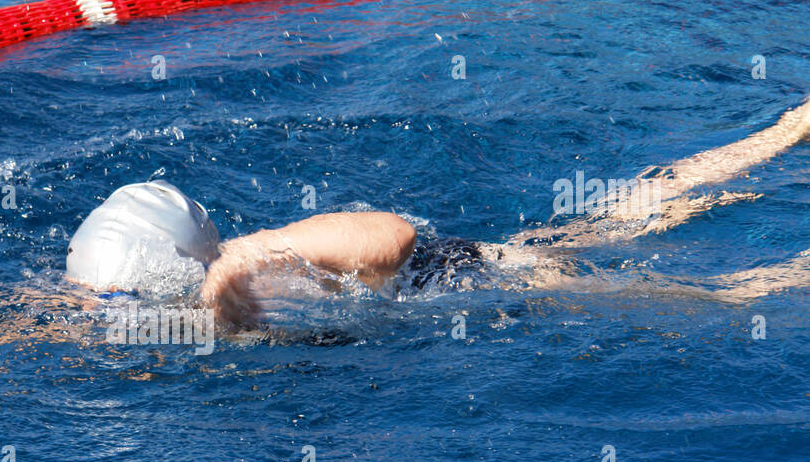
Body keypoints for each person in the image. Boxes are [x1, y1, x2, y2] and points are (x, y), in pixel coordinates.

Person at [65, 96, 810, 327]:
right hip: (483, 264)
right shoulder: (112, 303)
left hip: (493, 277)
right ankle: (779, 137)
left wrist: (255, 255)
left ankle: (779, 139)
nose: (115, 313)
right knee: (623, 218)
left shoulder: (261, 257)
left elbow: (394, 236)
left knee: (730, 294)